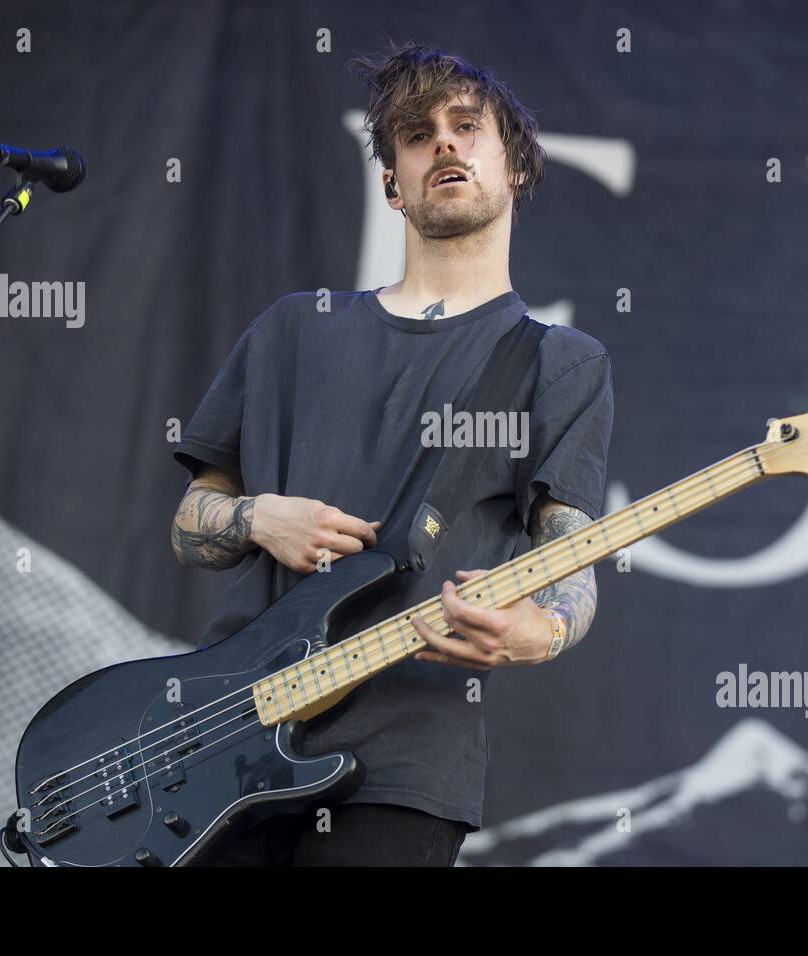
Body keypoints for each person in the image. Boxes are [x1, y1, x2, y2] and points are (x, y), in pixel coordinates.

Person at [169, 42, 613, 866]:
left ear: (515, 166)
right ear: (390, 183)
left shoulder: (560, 361)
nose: (442, 142)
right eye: (416, 134)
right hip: (216, 744)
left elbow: (571, 550)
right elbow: (191, 524)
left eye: (466, 126)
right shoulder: (292, 329)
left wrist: (542, 629)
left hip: (404, 766)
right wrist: (258, 515)